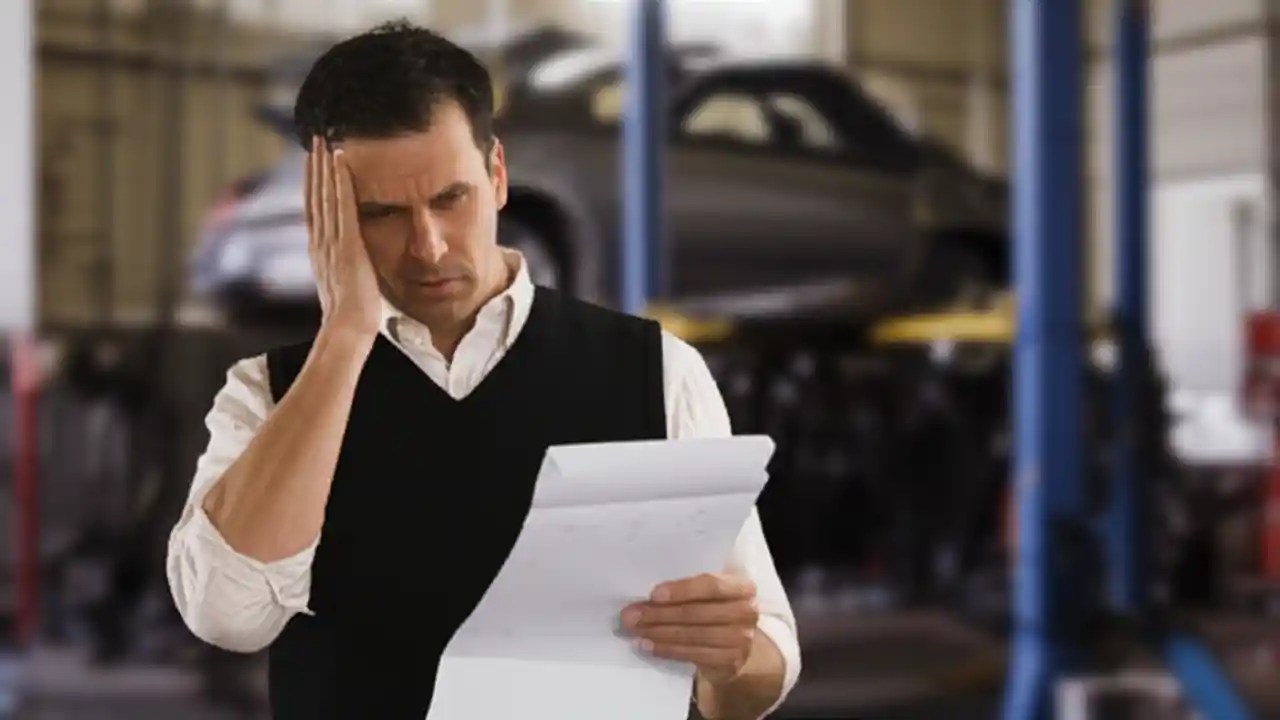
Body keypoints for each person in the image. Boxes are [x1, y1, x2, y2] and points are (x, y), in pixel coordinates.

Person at [166, 20, 800, 720]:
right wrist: (345, 334)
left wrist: (732, 658)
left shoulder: (658, 372)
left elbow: (760, 662)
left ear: (497, 175)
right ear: (327, 219)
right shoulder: (267, 395)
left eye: (450, 198)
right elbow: (225, 614)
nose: (429, 247)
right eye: (380, 214)